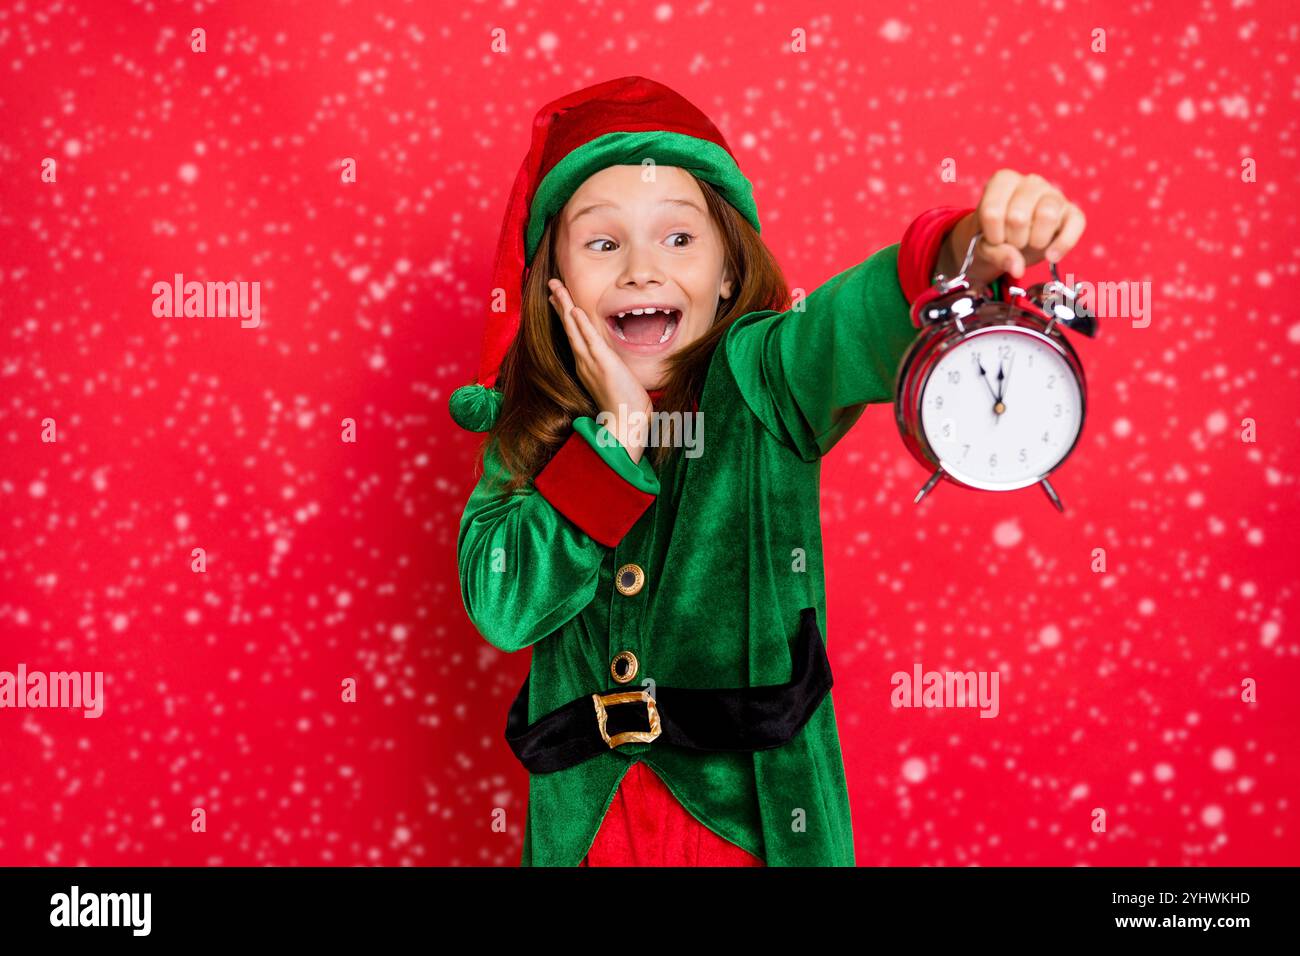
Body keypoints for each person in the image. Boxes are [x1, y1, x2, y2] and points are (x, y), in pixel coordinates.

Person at [449, 75, 1086, 866]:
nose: (642, 270)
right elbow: (502, 606)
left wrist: (964, 257)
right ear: (554, 285)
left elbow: (853, 322)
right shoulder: (528, 429)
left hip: (752, 825)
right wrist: (616, 439)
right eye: (604, 243)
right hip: (587, 833)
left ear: (726, 275)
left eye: (679, 239)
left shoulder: (766, 374)